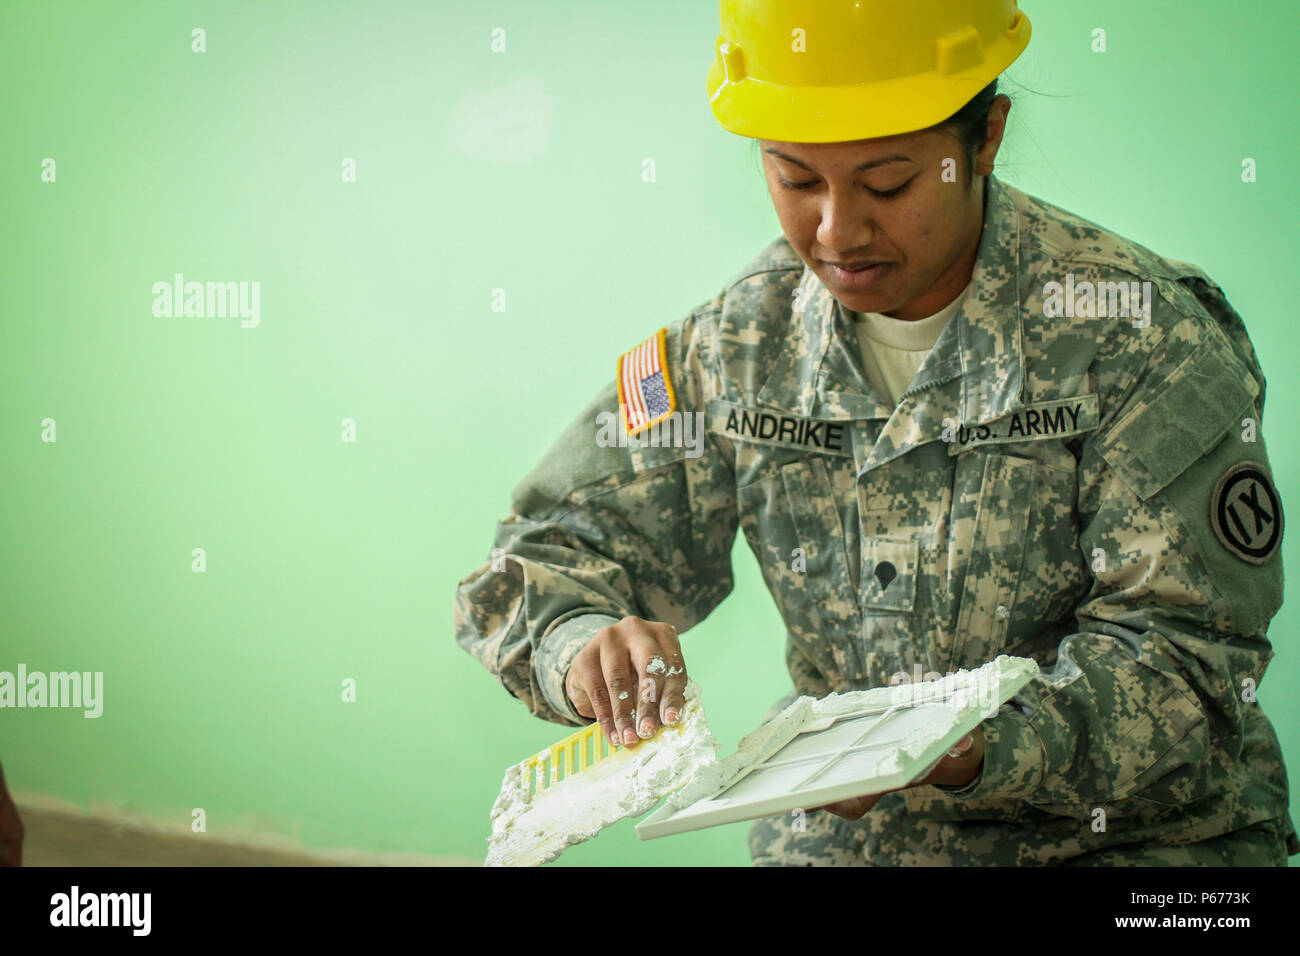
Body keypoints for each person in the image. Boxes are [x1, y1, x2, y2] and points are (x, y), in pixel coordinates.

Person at [453, 0, 1297, 865]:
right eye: (795, 179)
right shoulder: (743, 344)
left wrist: (975, 746)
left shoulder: (1136, 333)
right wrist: (583, 647)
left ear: (987, 137)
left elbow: (1191, 662)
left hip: (1137, 843)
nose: (837, 232)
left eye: (888, 184)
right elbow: (535, 560)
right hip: (859, 844)